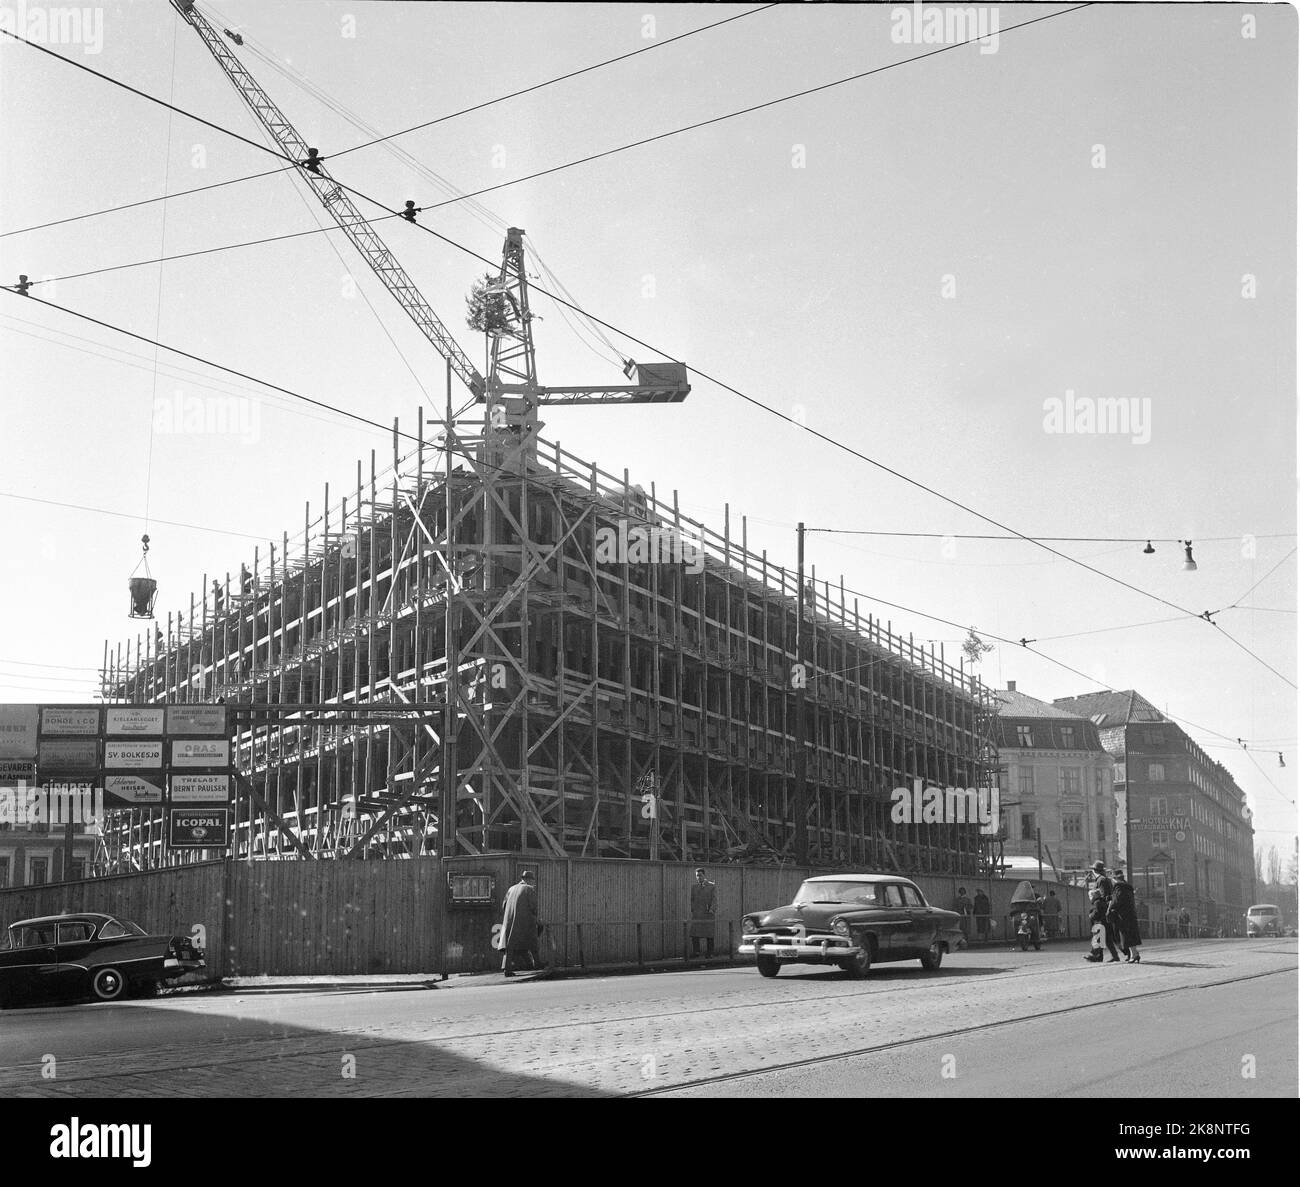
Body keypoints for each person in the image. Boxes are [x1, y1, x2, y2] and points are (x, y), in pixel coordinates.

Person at [500, 870, 543, 977]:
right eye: (533, 880)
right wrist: (536, 918)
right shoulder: (529, 889)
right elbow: (533, 907)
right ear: (529, 880)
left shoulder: (511, 888)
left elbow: (504, 905)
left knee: (510, 944)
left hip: (509, 921)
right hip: (525, 921)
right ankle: (537, 963)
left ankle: (507, 968)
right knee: (533, 939)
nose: (533, 883)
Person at [1083, 860, 1120, 963]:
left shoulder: (1101, 880)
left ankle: (1095, 954)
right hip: (1106, 910)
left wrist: (1096, 910)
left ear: (1095, 870)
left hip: (1102, 911)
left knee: (1099, 933)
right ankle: (1112, 956)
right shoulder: (1106, 879)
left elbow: (1104, 897)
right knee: (1106, 936)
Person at [1109, 870, 1142, 962]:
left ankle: (1134, 955)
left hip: (1123, 915)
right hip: (1131, 913)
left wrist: (1111, 905)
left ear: (1115, 878)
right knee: (1131, 934)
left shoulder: (1118, 886)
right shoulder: (1128, 886)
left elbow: (1118, 899)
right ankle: (1134, 953)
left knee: (1126, 935)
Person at [689, 868, 717, 957]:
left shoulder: (711, 886)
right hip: (697, 914)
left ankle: (710, 952)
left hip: (707, 913)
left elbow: (714, 899)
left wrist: (712, 910)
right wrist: (693, 909)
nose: (698, 877)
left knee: (709, 934)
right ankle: (696, 952)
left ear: (704, 875)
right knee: (694, 933)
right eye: (697, 875)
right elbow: (692, 899)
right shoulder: (694, 887)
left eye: (700, 875)